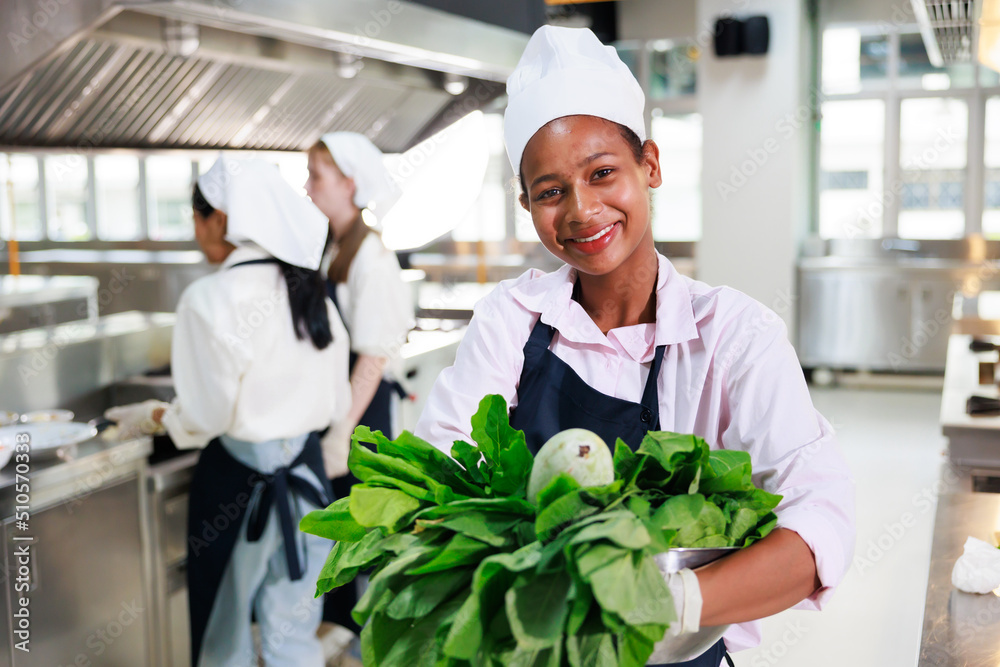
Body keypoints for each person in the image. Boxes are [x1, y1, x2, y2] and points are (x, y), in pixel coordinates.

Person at [413, 26, 856, 667]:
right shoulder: (509, 320)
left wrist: (666, 602)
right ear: (526, 203)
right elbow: (440, 479)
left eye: (602, 174)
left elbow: (818, 527)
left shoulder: (736, 336)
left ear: (649, 164)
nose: (581, 210)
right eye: (551, 191)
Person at [106, 156, 351, 666]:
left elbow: (206, 418)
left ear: (219, 217)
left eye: (197, 218)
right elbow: (337, 401)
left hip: (237, 489)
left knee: (225, 643)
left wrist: (156, 416)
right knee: (294, 636)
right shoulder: (311, 292)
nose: (196, 232)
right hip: (308, 483)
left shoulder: (209, 297)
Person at [303, 132, 414, 632]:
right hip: (342, 407)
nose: (308, 187)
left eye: (316, 176)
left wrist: (342, 427)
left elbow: (371, 357)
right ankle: (341, 637)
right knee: (341, 531)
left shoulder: (370, 255)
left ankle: (360, 644)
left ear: (349, 183)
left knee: (360, 532)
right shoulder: (335, 245)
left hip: (361, 411)